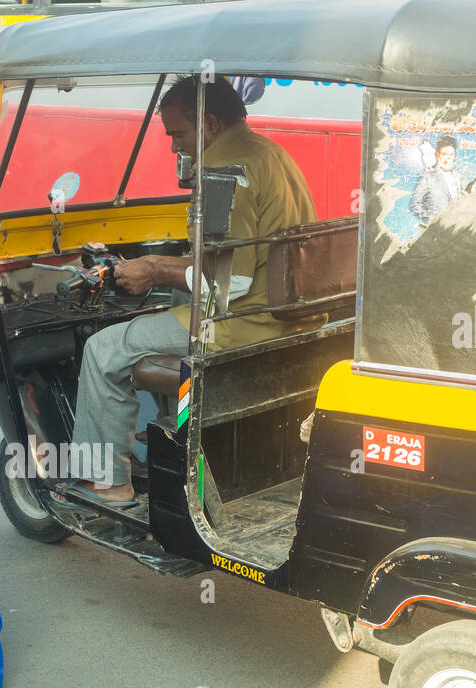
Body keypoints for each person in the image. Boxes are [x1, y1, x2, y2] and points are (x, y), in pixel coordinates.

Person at [68, 76, 317, 505]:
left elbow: (229, 284)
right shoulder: (271, 154)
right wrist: (161, 266)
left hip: (246, 323)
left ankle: (109, 484)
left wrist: (155, 270)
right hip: (289, 315)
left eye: (179, 134)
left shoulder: (223, 172)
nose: (174, 146)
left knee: (102, 350)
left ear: (211, 124)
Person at [410, 135, 462, 225]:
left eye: (451, 154)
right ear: (438, 155)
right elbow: (414, 204)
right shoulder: (428, 176)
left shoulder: (459, 176)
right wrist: (432, 222)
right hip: (436, 231)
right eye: (444, 154)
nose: (448, 158)